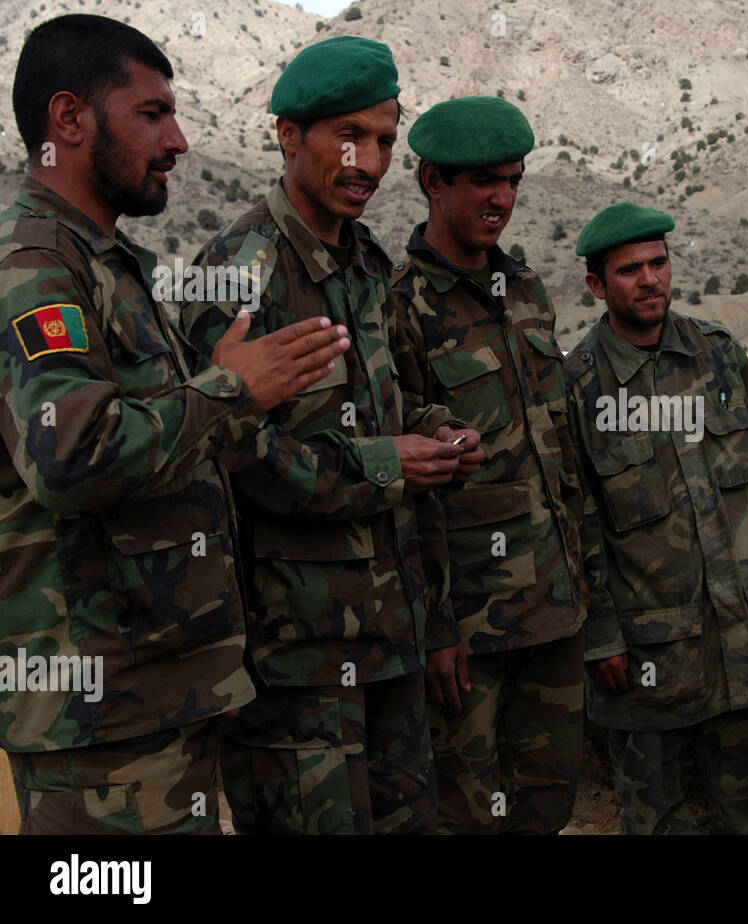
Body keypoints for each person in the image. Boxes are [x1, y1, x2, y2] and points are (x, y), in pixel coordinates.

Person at [0, 15, 348, 834]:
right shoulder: (36, 269)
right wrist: (231, 392)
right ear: (70, 119)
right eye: (153, 114)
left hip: (149, 694)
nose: (181, 139)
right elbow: (71, 454)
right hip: (95, 722)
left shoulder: (100, 263)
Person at [181, 37, 480, 834]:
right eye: (350, 135)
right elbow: (229, 450)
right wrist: (390, 465)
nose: (371, 161)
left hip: (393, 635)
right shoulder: (239, 271)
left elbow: (386, 406)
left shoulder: (366, 265)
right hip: (294, 664)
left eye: (385, 140)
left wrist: (437, 432)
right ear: (288, 134)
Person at [565, 202, 748, 834]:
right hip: (649, 665)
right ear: (597, 285)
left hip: (743, 644)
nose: (650, 280)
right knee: (660, 820)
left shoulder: (720, 353)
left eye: (659, 263)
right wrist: (599, 638)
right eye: (629, 270)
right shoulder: (577, 387)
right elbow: (575, 526)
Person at [387, 97, 586, 834]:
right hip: (468, 626)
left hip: (556, 612)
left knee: (546, 803)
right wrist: (434, 629)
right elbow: (405, 493)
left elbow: (557, 454)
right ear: (433, 181)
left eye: (513, 179)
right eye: (482, 181)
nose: (501, 197)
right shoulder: (398, 308)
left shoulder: (527, 292)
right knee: (463, 813)